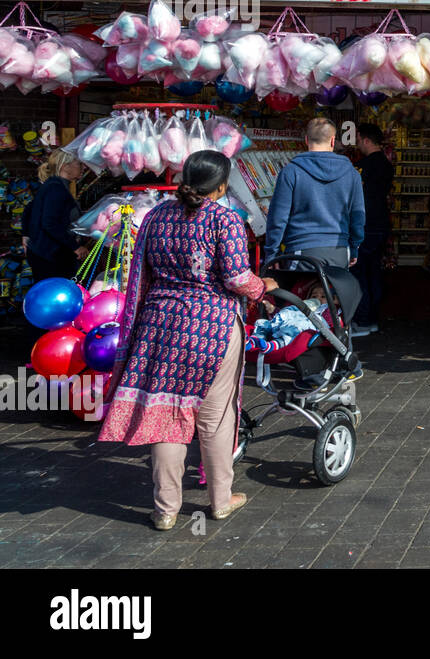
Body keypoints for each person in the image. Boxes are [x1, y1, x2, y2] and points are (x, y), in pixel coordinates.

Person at [99, 151, 278, 530]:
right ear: (223, 184)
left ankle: (166, 510)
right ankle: (221, 499)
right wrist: (264, 289)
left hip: (160, 327)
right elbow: (236, 278)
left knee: (165, 416)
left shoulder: (155, 217)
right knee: (214, 416)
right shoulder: (225, 219)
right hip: (211, 328)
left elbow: (140, 274)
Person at [264, 117, 365, 270]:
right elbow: (357, 216)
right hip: (339, 250)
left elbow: (278, 217)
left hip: (300, 250)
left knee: (301, 292)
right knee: (332, 293)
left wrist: (272, 254)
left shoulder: (291, 171)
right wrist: (354, 246)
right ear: (332, 141)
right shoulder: (352, 174)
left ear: (306, 140)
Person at [352, 123, 393, 337]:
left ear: (366, 140)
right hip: (380, 222)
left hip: (364, 224)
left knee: (359, 274)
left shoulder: (362, 166)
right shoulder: (387, 164)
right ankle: (374, 319)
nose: (357, 144)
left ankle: (363, 320)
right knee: (374, 272)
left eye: (358, 139)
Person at [23, 149, 87, 283]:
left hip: (45, 253)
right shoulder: (56, 188)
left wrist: (26, 234)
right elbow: (50, 223)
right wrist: (75, 247)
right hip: (49, 256)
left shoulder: (54, 185)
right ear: (65, 166)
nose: (83, 167)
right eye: (79, 164)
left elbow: (29, 208)